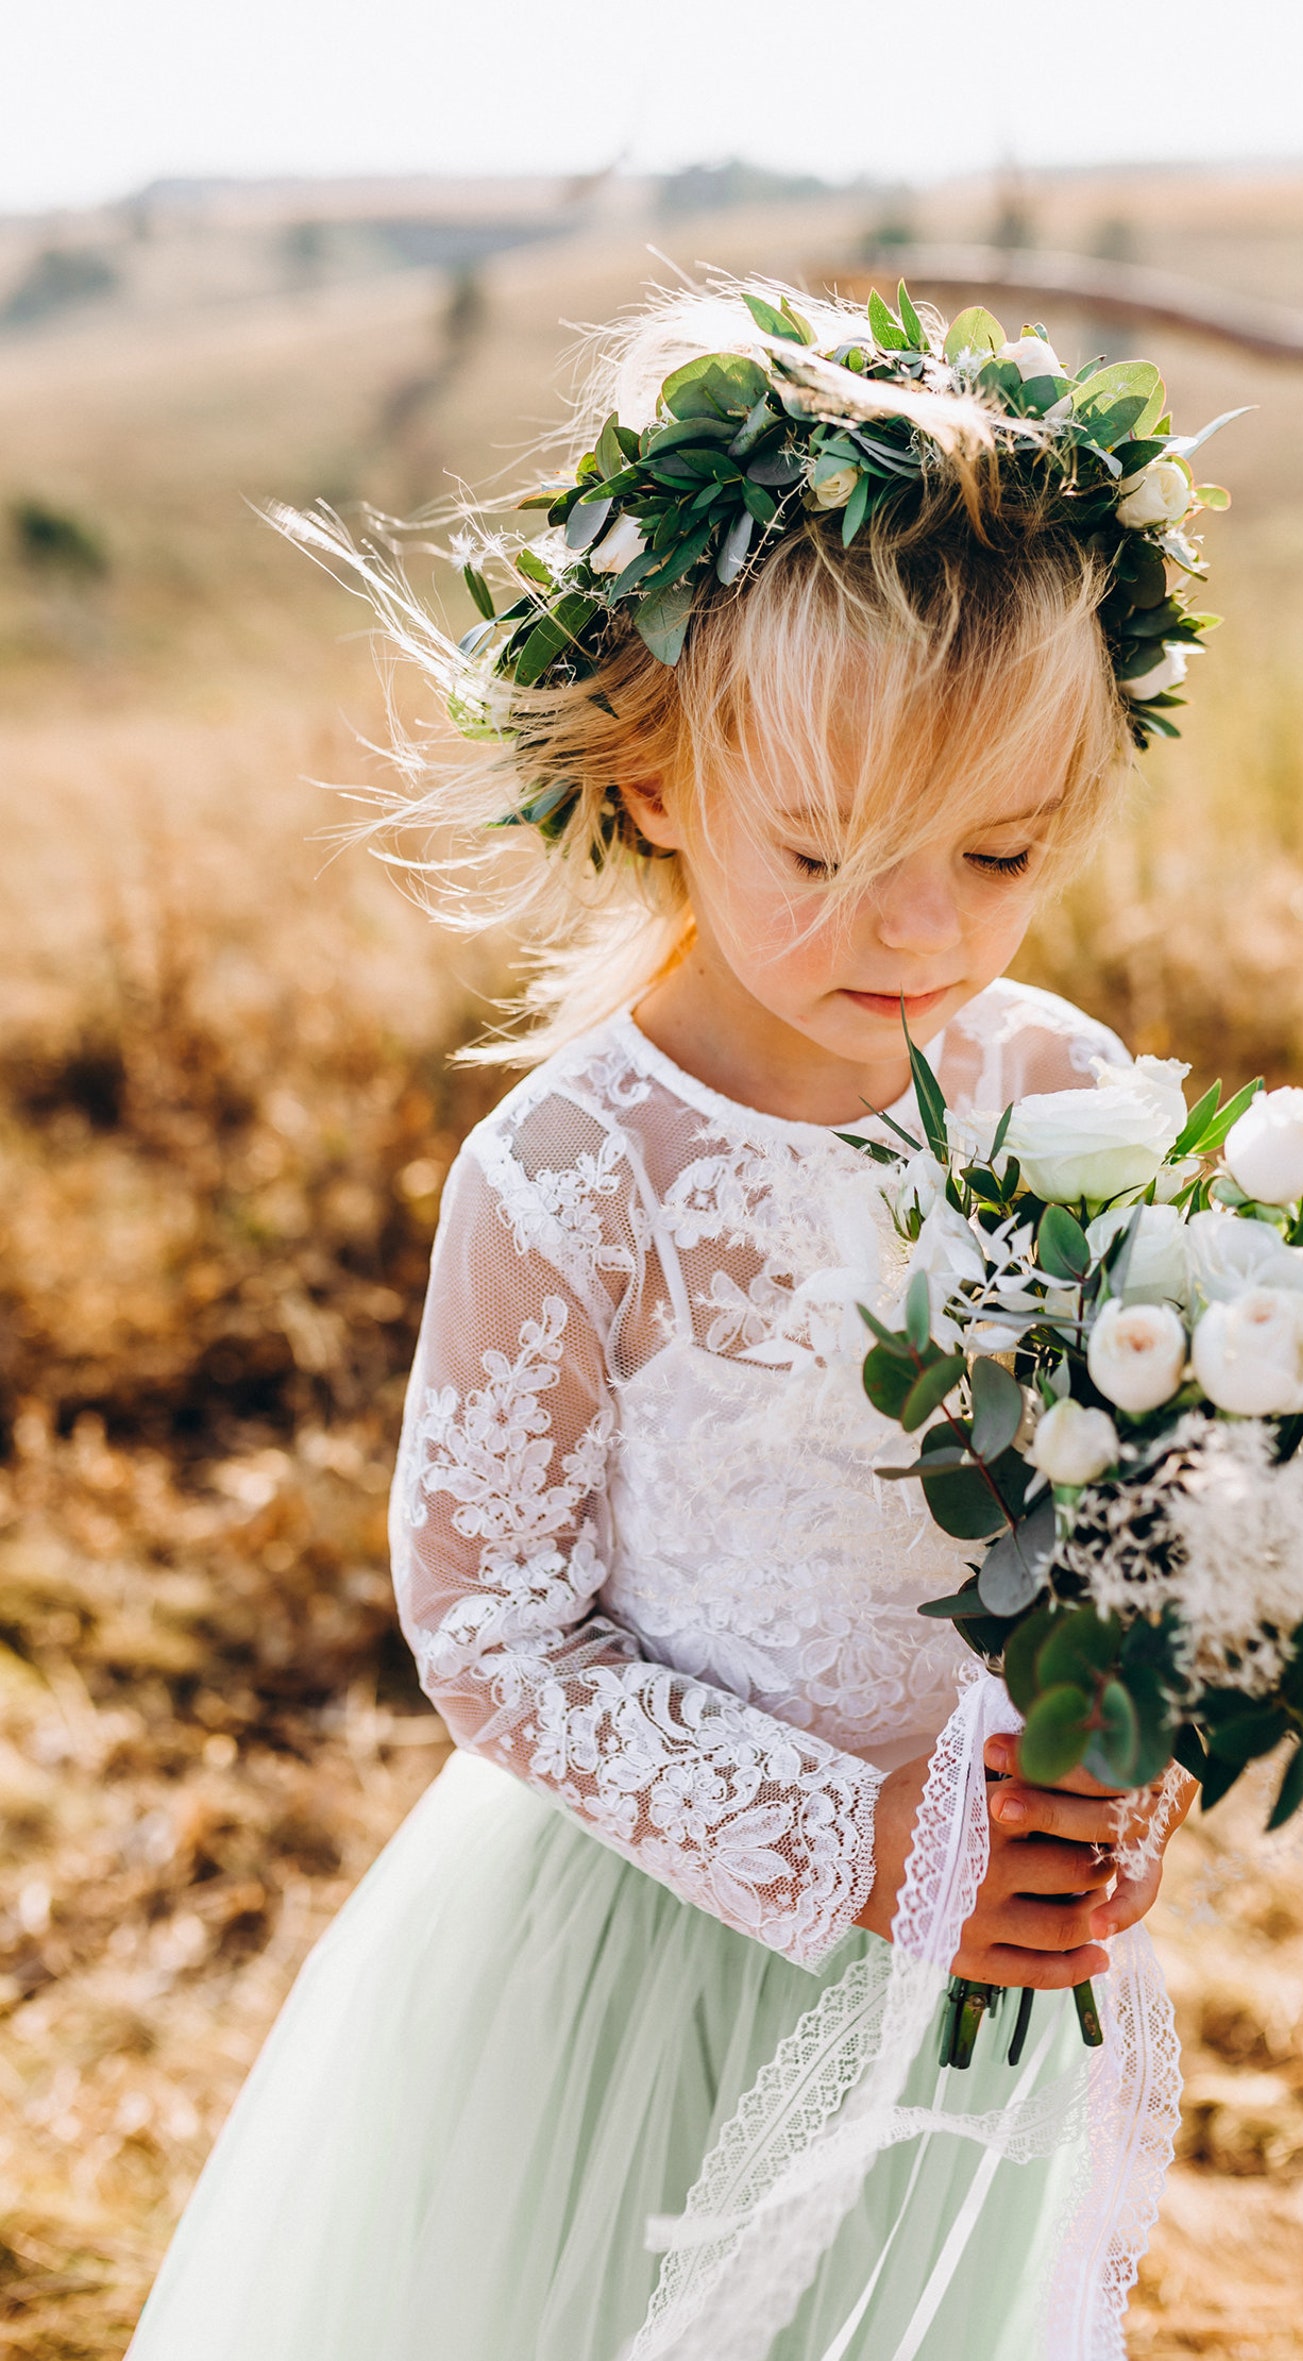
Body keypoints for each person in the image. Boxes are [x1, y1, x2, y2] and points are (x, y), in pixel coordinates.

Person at [129, 278, 1214, 2361]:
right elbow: (494, 1630)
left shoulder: (1062, 1095)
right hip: (662, 1949)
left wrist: (1113, 1769)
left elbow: (1138, 1487)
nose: (921, 928)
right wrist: (849, 1836)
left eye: (1000, 852)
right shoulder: (573, 1172)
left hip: (984, 1939)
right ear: (651, 779)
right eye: (825, 850)